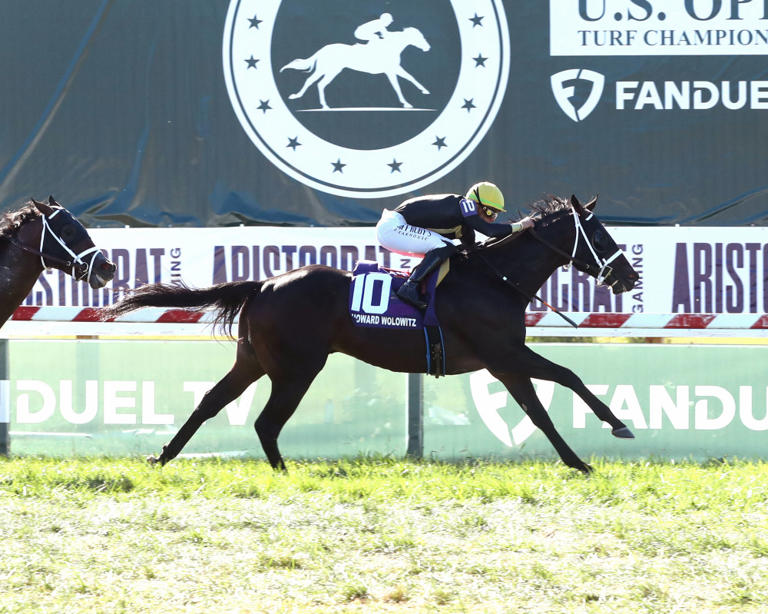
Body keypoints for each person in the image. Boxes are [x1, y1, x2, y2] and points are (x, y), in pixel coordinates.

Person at [376, 181, 535, 310]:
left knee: (453, 251)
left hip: (395, 229)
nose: (492, 218)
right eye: (490, 212)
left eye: (496, 214)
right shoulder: (466, 204)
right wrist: (520, 226)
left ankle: (425, 287)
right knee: (446, 246)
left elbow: (476, 253)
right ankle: (410, 287)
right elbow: (490, 231)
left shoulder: (465, 229)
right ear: (477, 204)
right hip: (392, 226)